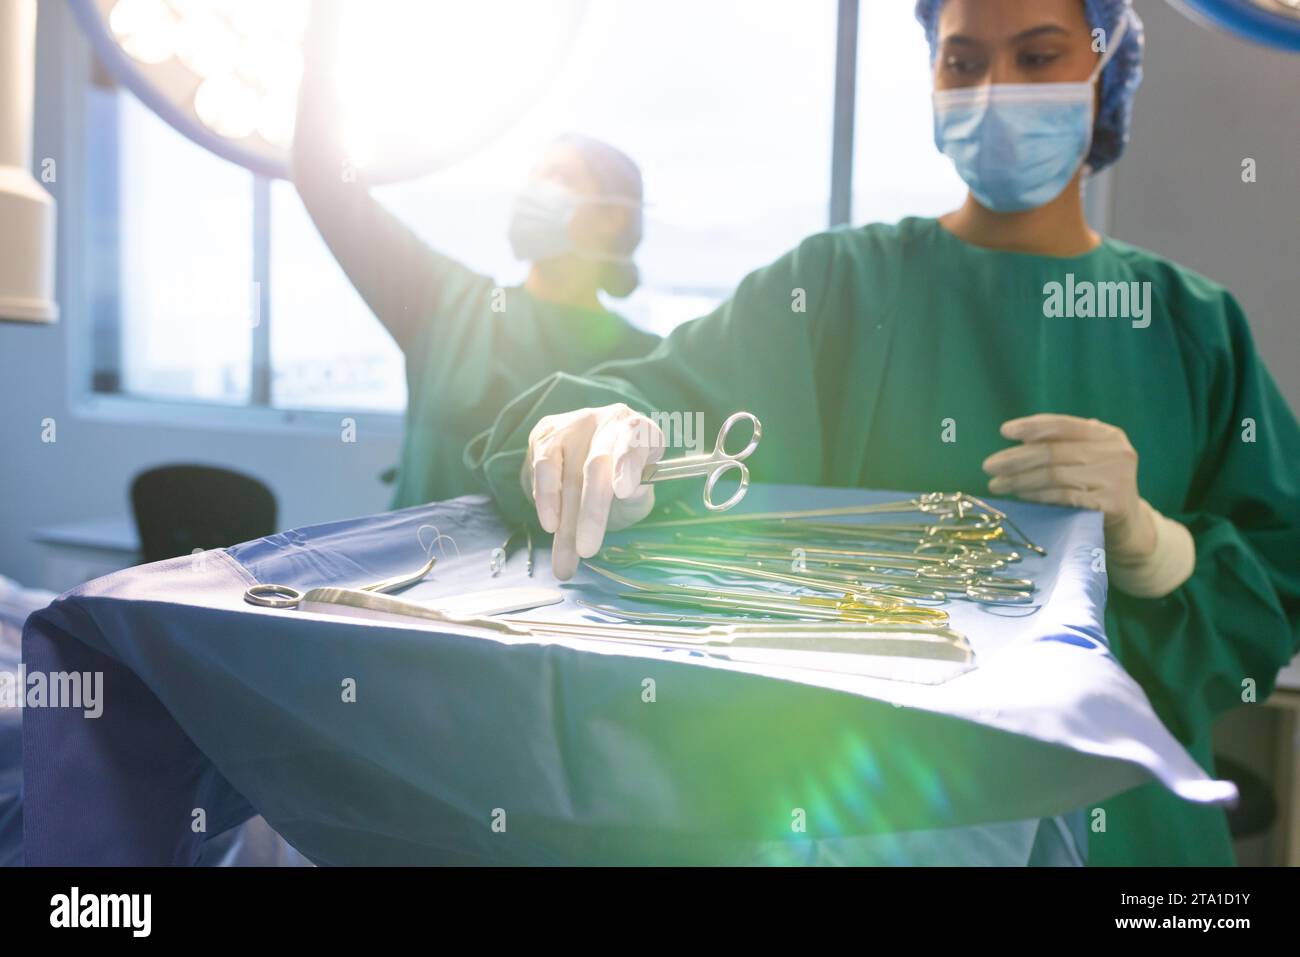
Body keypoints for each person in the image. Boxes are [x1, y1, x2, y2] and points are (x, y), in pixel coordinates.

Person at [467, 0, 1300, 866]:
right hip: (876, 821)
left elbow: (1284, 564)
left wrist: (1156, 549)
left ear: (1107, 67)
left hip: (1133, 842)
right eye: (964, 63)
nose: (994, 93)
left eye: (1039, 55)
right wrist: (591, 430)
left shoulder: (1189, 324)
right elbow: (656, 407)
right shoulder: (839, 288)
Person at [292, 0, 660, 508]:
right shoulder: (447, 304)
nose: (535, 191)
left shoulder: (646, 361)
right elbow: (326, 183)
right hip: (408, 584)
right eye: (534, 176)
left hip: (561, 588)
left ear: (613, 215)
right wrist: (322, 41)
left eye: (559, 177)